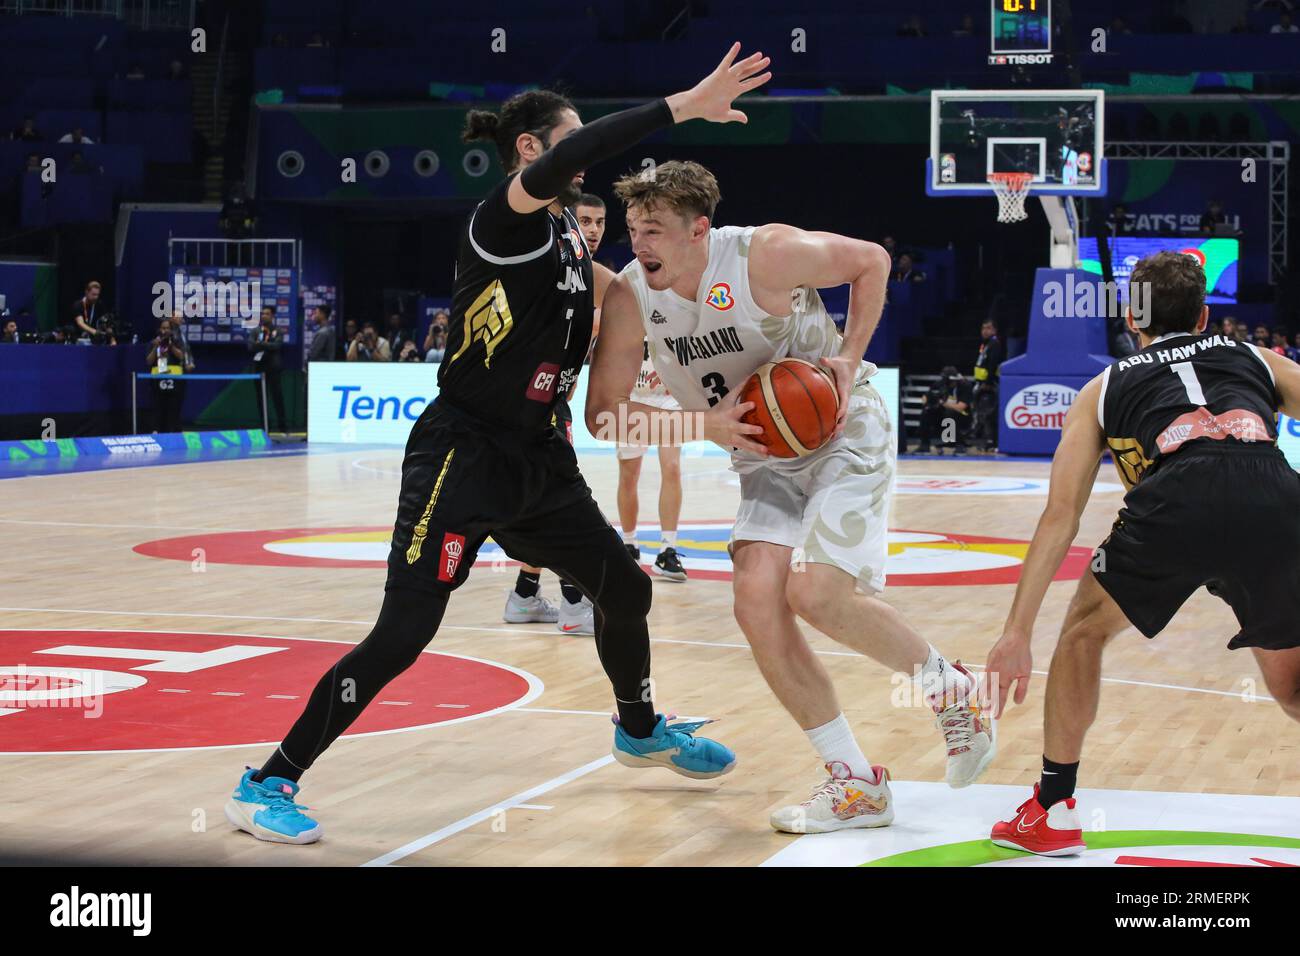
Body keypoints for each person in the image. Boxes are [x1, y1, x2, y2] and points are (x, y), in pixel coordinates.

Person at [224, 44, 771, 844]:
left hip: (536, 457)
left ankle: (639, 726)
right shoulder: (503, 223)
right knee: (405, 634)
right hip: (461, 452)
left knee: (626, 587)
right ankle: (268, 779)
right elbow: (585, 152)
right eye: (568, 140)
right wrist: (683, 105)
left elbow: (647, 310)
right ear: (531, 151)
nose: (582, 159)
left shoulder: (574, 249)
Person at [589, 159, 993, 834]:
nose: (639, 243)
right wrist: (704, 427)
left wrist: (849, 356)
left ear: (699, 231)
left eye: (654, 229)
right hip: (762, 457)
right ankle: (856, 783)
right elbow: (603, 415)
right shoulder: (631, 298)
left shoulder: (764, 255)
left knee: (815, 593)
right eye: (632, 228)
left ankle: (952, 691)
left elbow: (870, 262)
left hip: (841, 429)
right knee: (755, 602)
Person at [983, 251, 1300, 856]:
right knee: (1291, 690)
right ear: (1205, 316)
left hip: (1174, 505)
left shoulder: (1102, 389)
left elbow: (1061, 515)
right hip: (1273, 500)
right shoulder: (1254, 356)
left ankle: (1051, 809)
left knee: (1081, 632)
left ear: (1132, 317)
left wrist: (1015, 631)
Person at [247, 306, 286, 432]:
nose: (264, 316)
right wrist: (266, 345)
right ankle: (265, 426)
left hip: (274, 368)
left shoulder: (278, 331)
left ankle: (282, 427)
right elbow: (250, 347)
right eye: (262, 314)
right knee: (261, 398)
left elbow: (277, 346)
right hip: (259, 368)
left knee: (277, 397)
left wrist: (261, 344)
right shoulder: (255, 331)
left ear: (272, 316)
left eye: (267, 314)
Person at [917, 366, 973, 454]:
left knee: (951, 413)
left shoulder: (965, 385)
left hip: (963, 415)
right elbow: (925, 397)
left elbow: (961, 407)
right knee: (926, 412)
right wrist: (928, 403)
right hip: (942, 414)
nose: (952, 383)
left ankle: (959, 445)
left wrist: (942, 403)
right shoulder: (940, 384)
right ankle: (924, 445)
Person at [147, 318, 187, 432]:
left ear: (171, 330)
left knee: (173, 408)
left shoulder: (178, 341)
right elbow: (149, 361)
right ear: (159, 329)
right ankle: (157, 430)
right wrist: (156, 347)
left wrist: (171, 346)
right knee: (158, 407)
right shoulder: (154, 342)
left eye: (167, 328)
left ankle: (174, 432)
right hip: (157, 380)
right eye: (163, 328)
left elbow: (182, 357)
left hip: (175, 381)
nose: (165, 330)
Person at [972, 319, 1003, 451]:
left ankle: (992, 442)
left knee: (989, 414)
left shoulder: (994, 344)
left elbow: (993, 363)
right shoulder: (985, 344)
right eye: (983, 328)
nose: (985, 331)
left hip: (989, 385)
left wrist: (988, 382)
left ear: (994, 330)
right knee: (982, 414)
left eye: (988, 328)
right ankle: (986, 440)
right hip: (981, 383)